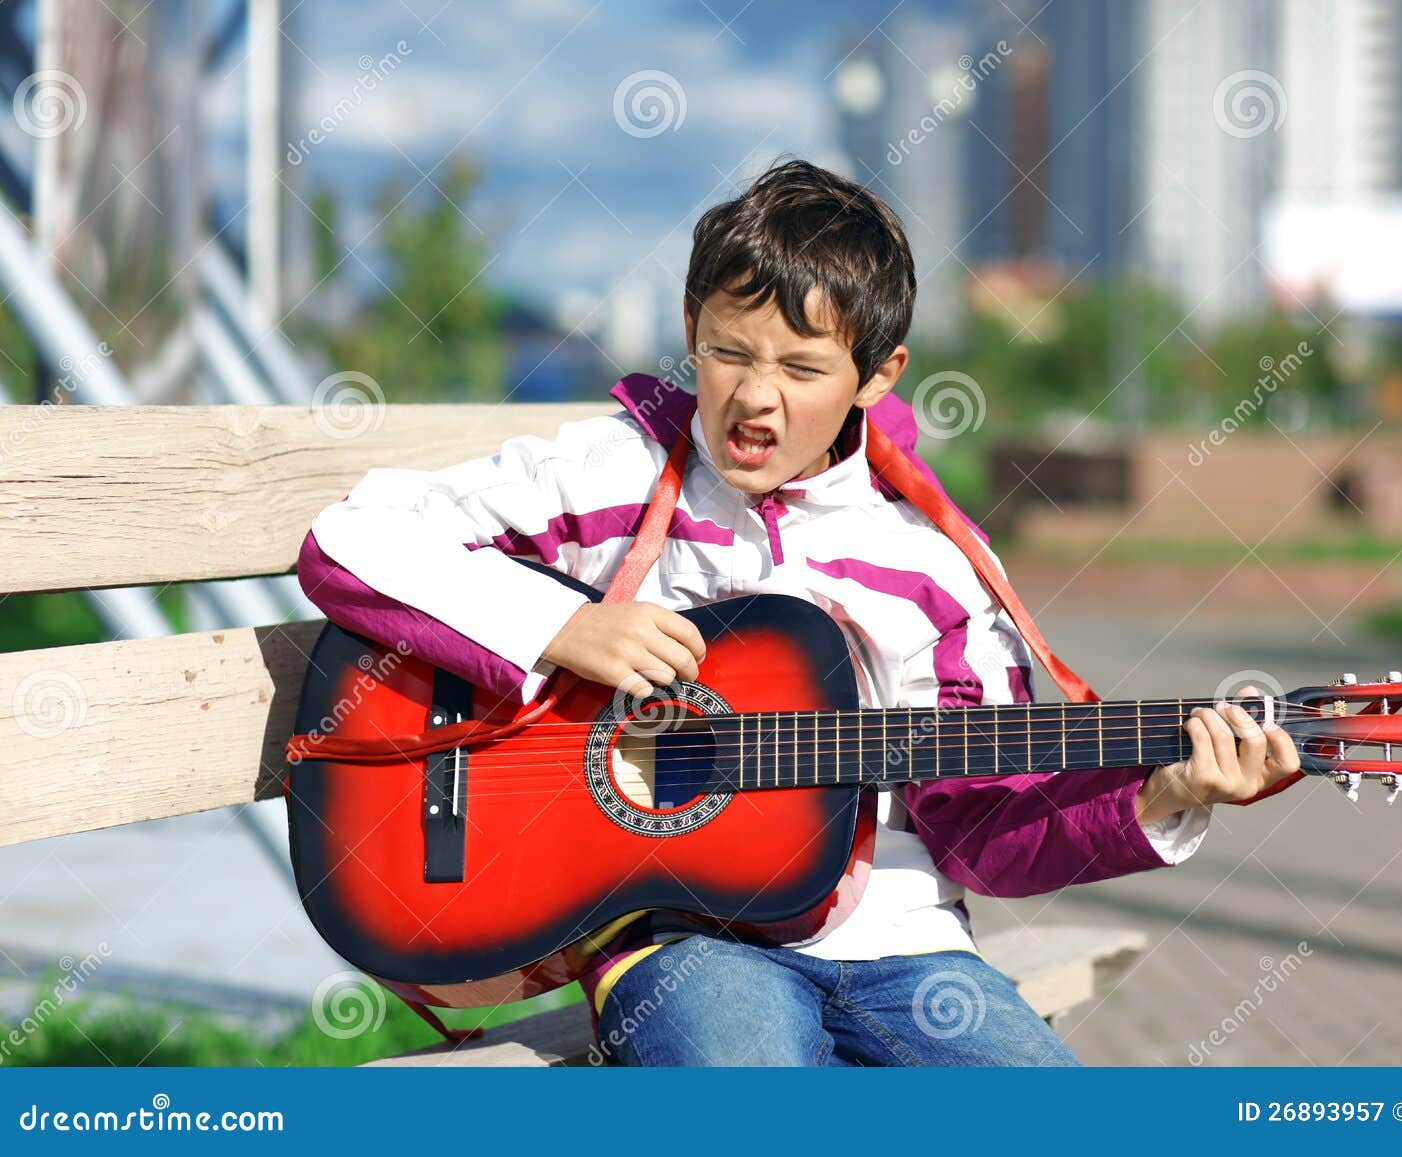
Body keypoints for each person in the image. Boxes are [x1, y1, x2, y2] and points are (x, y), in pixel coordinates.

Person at [295, 157, 1301, 1066]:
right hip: (687, 938)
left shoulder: (935, 562)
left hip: (907, 946)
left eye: (803, 369)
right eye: (729, 353)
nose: (753, 399)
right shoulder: (618, 470)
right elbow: (351, 538)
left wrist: (1162, 794)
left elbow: (984, 835)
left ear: (878, 375)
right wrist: (559, 629)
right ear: (691, 328)